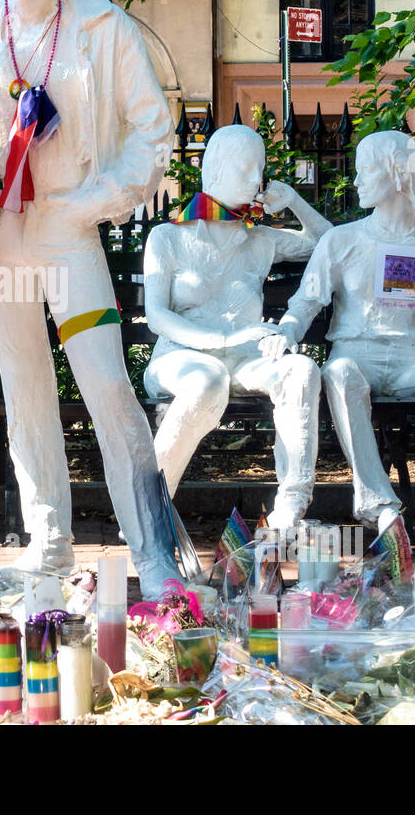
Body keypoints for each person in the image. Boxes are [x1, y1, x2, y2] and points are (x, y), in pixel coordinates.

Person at [0, 0, 181, 598]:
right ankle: (46, 539)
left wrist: (89, 203)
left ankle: (154, 551)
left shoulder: (101, 24)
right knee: (25, 390)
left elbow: (153, 132)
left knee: (106, 382)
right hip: (1, 235)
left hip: (69, 233)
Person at [260, 130, 415, 544]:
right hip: (356, 361)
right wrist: (286, 332)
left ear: (396, 175)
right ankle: (380, 507)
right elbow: (305, 303)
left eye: (364, 172)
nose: (355, 182)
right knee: (338, 373)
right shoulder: (342, 240)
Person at [143, 125, 331, 528]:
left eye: (259, 169)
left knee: (301, 370)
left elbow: (331, 246)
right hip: (181, 358)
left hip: (245, 360)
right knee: (206, 380)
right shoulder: (168, 238)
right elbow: (157, 316)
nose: (256, 179)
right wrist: (224, 337)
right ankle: (149, 510)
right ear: (214, 170)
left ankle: (291, 506)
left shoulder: (261, 239)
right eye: (245, 167)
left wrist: (295, 201)